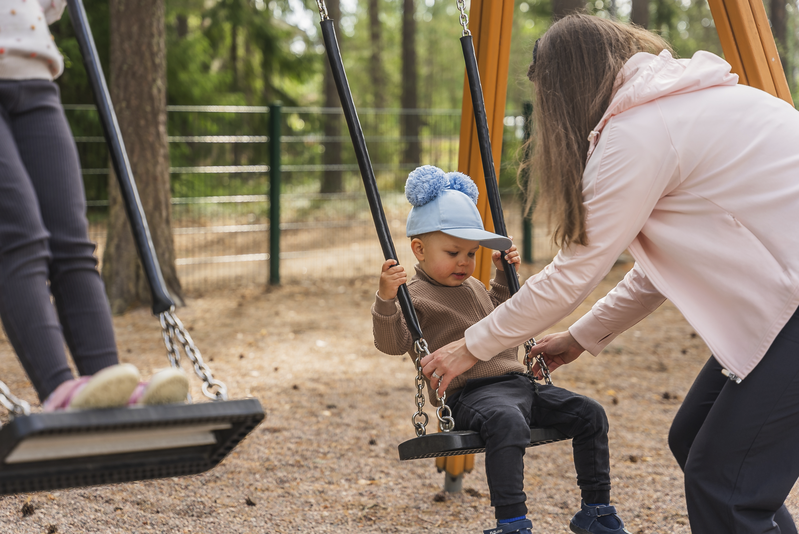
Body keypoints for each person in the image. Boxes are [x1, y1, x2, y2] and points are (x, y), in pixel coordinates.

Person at [424, 13, 799, 534]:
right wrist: (581, 336)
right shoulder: (676, 107)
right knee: (696, 444)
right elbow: (656, 273)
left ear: (565, 90)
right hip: (785, 306)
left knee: (725, 485)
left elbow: (571, 274)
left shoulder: (639, 132)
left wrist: (472, 345)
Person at [372, 165, 630, 534]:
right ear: (419, 249)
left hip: (519, 385)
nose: (464, 261)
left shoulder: (474, 286)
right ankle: (512, 522)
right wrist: (385, 298)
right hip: (470, 396)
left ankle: (597, 510)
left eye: (471, 253)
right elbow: (390, 342)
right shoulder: (413, 298)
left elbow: (503, 318)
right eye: (453, 251)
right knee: (506, 420)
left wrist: (501, 278)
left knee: (590, 413)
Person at [0, 0, 187, 411]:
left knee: (73, 245)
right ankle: (59, 390)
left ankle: (107, 382)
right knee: (19, 239)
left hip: (35, 80)